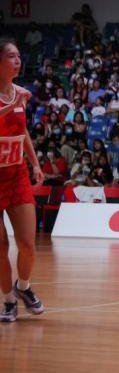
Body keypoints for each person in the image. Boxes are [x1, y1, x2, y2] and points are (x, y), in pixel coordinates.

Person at [0, 40, 46, 322]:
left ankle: (23, 287)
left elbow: (23, 131)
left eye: (19, 56)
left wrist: (35, 163)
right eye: (11, 56)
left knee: (27, 242)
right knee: (1, 248)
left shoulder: (20, 94)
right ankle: (8, 300)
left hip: (16, 174)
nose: (17, 60)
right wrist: (13, 106)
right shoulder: (16, 99)